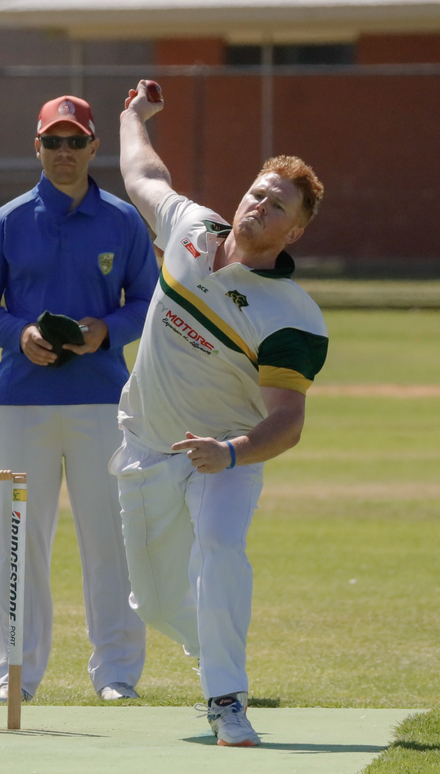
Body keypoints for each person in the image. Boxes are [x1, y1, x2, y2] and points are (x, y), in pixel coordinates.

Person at [110, 81, 329, 745]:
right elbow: (143, 173)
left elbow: (286, 423)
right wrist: (130, 116)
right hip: (148, 443)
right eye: (258, 191)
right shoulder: (192, 228)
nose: (258, 204)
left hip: (228, 455)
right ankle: (208, 645)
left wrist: (230, 452)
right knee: (154, 601)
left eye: (277, 205)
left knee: (220, 553)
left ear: (294, 231)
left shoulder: (293, 317)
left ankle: (227, 700)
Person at [0, 95, 158, 702]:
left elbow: (149, 301)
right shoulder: (9, 220)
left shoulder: (122, 221)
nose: (65, 153)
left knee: (111, 539)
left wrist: (105, 329)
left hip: (103, 401)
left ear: (95, 147)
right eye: (54, 142)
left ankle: (117, 673)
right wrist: (19, 335)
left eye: (76, 142)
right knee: (14, 539)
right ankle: (15, 674)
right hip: (20, 402)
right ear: (38, 147)